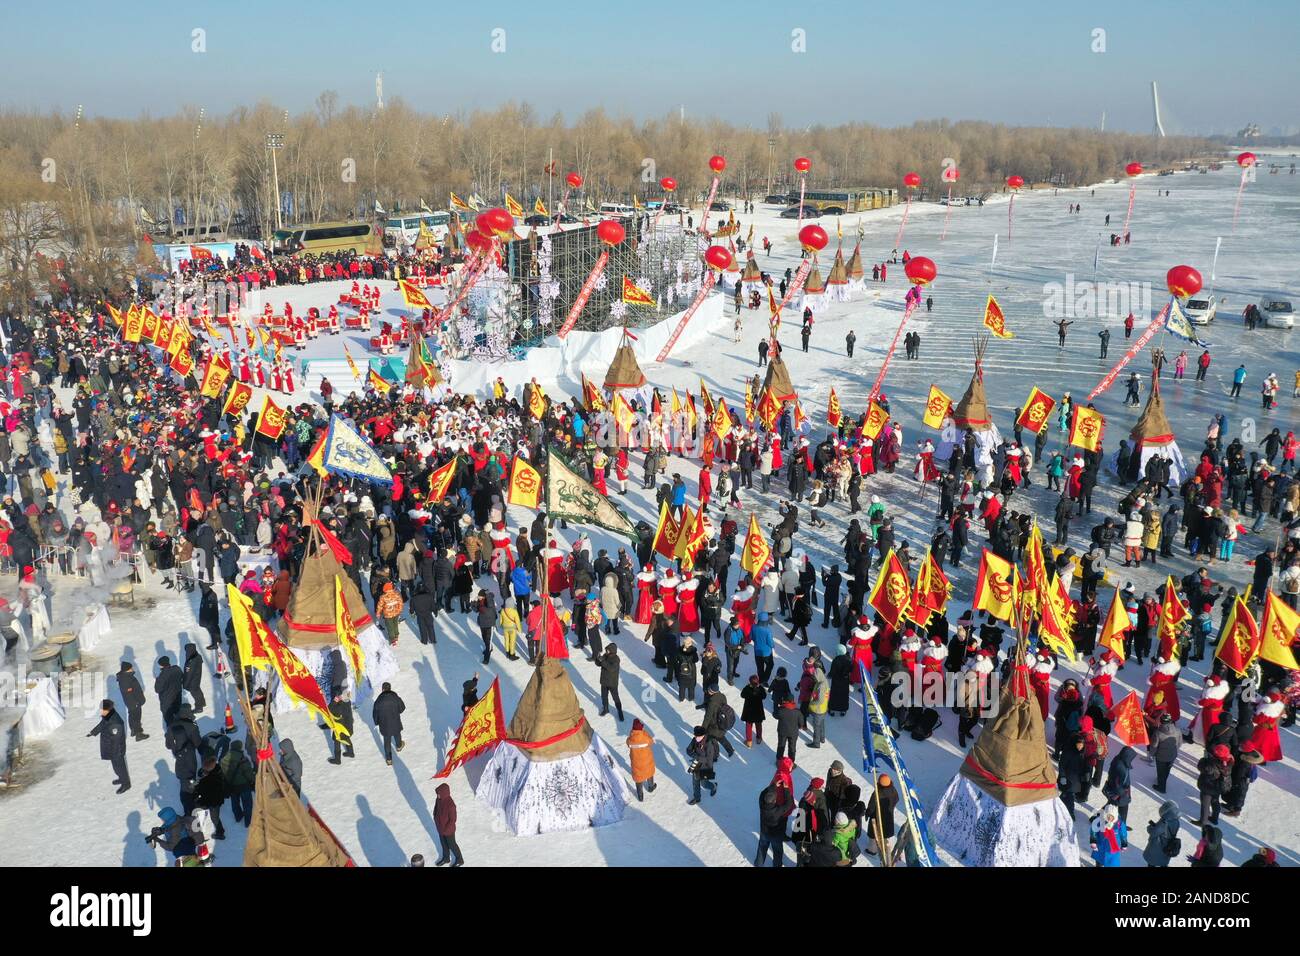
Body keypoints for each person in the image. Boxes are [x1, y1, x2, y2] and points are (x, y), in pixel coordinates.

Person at [88, 699, 130, 793]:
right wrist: (93, 732)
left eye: (102, 709)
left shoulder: (116, 723)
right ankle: (121, 778)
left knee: (120, 767)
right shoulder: (108, 715)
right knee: (116, 766)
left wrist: (113, 753)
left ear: (108, 710)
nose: (101, 711)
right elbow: (102, 724)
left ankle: (126, 784)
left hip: (116, 750)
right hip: (112, 748)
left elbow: (116, 741)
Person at [755, 781, 792, 866]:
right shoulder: (778, 810)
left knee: (762, 848)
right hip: (776, 836)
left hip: (764, 833)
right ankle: (777, 865)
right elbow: (788, 804)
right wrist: (786, 789)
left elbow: (761, 794)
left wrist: (772, 786)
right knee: (777, 851)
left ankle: (758, 864)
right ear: (775, 801)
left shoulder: (762, 805)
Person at [220, 740, 256, 825]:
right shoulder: (242, 758)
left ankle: (238, 816)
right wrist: (253, 781)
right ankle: (248, 821)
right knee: (247, 804)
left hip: (231, 785)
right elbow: (248, 773)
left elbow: (223, 772)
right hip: (244, 785)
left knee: (235, 803)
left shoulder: (224, 758)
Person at [193, 755, 227, 840]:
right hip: (215, 800)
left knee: (212, 817)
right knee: (215, 817)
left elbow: (199, 788)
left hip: (212, 801)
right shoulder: (217, 770)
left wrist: (195, 785)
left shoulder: (210, 779)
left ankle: (196, 829)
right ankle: (220, 832)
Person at [372, 681, 406, 766]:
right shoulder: (395, 697)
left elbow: (375, 714)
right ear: (390, 688)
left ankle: (389, 759)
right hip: (395, 722)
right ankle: (399, 746)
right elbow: (402, 708)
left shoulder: (378, 701)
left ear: (382, 689)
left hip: (384, 725)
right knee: (397, 734)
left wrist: (376, 722)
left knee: (387, 741)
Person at [686, 725, 719, 805]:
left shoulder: (708, 744)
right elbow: (688, 750)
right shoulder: (695, 740)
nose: (696, 738)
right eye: (695, 736)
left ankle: (713, 786)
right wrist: (696, 757)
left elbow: (709, 759)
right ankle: (697, 798)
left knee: (704, 784)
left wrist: (699, 758)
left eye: (698, 736)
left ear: (703, 735)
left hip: (706, 767)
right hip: (696, 765)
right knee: (695, 782)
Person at [115, 660, 148, 741]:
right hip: (133, 702)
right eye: (130, 668)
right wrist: (136, 702)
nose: (132, 669)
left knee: (132, 715)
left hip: (132, 702)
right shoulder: (125, 679)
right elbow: (129, 693)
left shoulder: (126, 676)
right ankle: (138, 734)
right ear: (127, 669)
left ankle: (133, 730)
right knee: (136, 717)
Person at [625, 718, 657, 800]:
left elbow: (627, 743)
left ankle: (640, 795)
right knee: (649, 773)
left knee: (638, 778)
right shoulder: (645, 737)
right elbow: (651, 741)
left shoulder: (631, 739)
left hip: (636, 763)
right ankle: (651, 787)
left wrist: (632, 734)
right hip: (647, 761)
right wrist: (644, 733)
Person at [433, 783, 464, 866]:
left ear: (444, 793)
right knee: (443, 844)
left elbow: (453, 820)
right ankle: (446, 858)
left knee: (452, 845)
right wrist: (435, 817)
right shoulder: (438, 800)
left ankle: (460, 859)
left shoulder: (451, 805)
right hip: (440, 828)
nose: (438, 795)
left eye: (439, 794)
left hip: (448, 831)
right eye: (437, 794)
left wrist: (446, 830)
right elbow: (436, 809)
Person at [597, 643, 624, 720]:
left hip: (612, 683)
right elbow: (599, 664)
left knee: (615, 697)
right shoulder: (605, 656)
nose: (606, 651)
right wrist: (598, 659)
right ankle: (606, 709)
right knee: (604, 696)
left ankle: (619, 711)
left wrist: (603, 661)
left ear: (612, 651)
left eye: (608, 650)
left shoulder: (616, 659)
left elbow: (611, 668)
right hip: (604, 681)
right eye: (606, 650)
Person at [182, 642, 206, 713]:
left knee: (195, 692)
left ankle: (199, 707)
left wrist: (185, 684)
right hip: (197, 676)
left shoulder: (191, 662)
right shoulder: (197, 655)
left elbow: (188, 674)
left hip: (192, 679)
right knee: (197, 689)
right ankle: (202, 702)